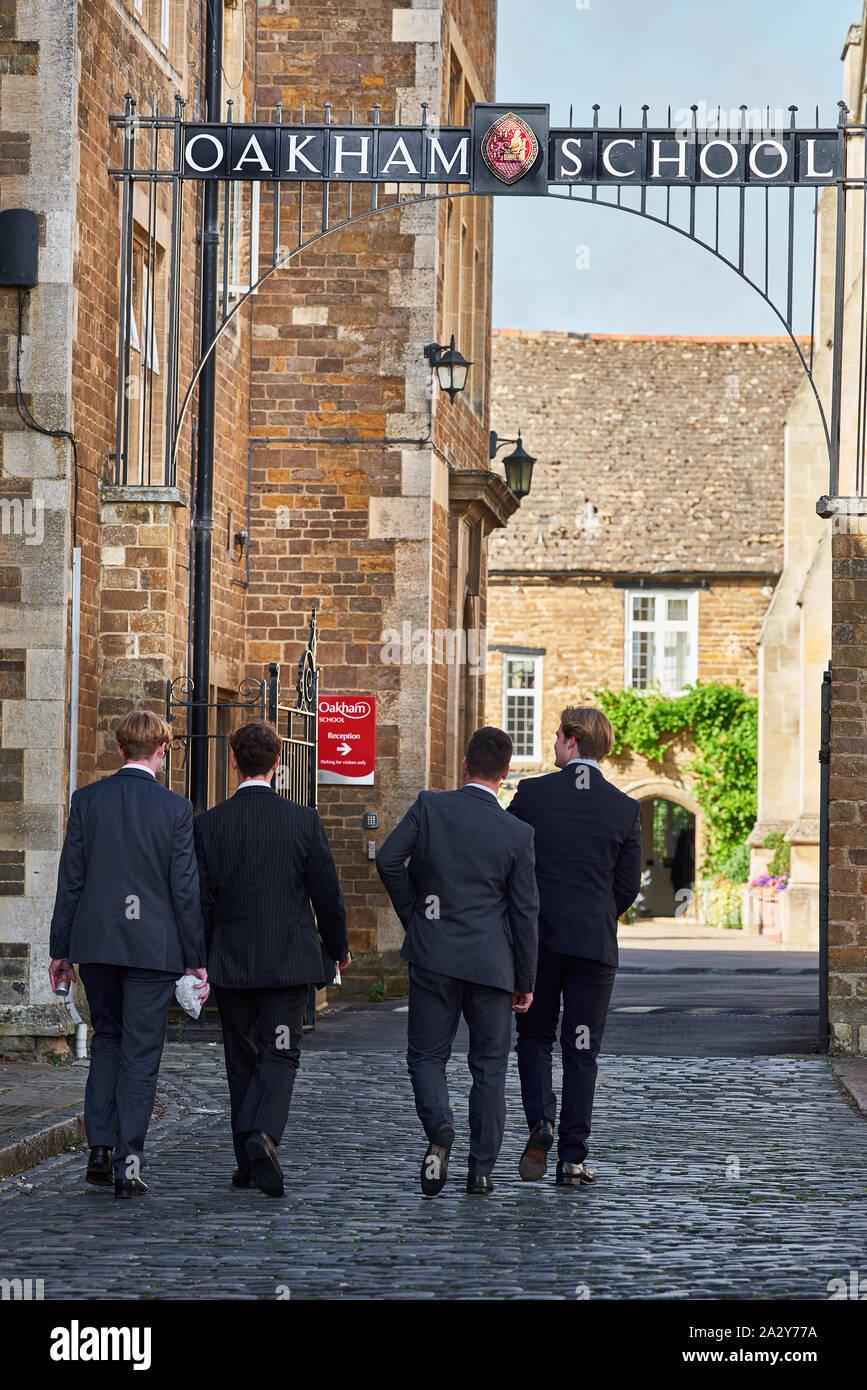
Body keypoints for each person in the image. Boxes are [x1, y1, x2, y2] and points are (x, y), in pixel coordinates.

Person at [48, 709, 208, 1198]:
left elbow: (70, 879)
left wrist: (61, 949)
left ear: (120, 750)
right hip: (152, 949)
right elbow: (185, 890)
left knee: (108, 1041)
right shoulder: (176, 810)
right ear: (161, 752)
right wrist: (195, 956)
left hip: (97, 945)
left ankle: (99, 1146)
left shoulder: (87, 800)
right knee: (141, 1054)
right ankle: (129, 1160)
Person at [376, 727, 538, 1198]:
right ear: (505, 774)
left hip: (433, 956)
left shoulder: (431, 807)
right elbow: (526, 912)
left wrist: (415, 917)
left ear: (464, 765)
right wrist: (525, 978)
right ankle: (481, 1170)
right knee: (489, 1066)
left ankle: (440, 1128)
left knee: (427, 1055)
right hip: (492, 964)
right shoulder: (518, 833)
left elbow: (388, 861)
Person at [194, 721, 350, 1198]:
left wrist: (196, 959)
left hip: (233, 961)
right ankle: (263, 1134)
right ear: (279, 763)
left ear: (234, 761)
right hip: (286, 961)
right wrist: (338, 947)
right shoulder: (303, 820)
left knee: (242, 1056)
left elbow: (198, 900)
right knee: (280, 1051)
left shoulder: (210, 824)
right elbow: (328, 893)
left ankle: (246, 1162)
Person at [507, 706, 641, 1187]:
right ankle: (572, 1159)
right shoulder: (624, 807)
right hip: (593, 945)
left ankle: (540, 1122)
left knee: (534, 1036)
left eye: (557, 735)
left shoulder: (533, 794)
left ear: (571, 740)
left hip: (538, 941)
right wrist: (597, 915)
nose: (553, 742)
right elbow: (626, 887)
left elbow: (507, 857)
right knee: (582, 1050)